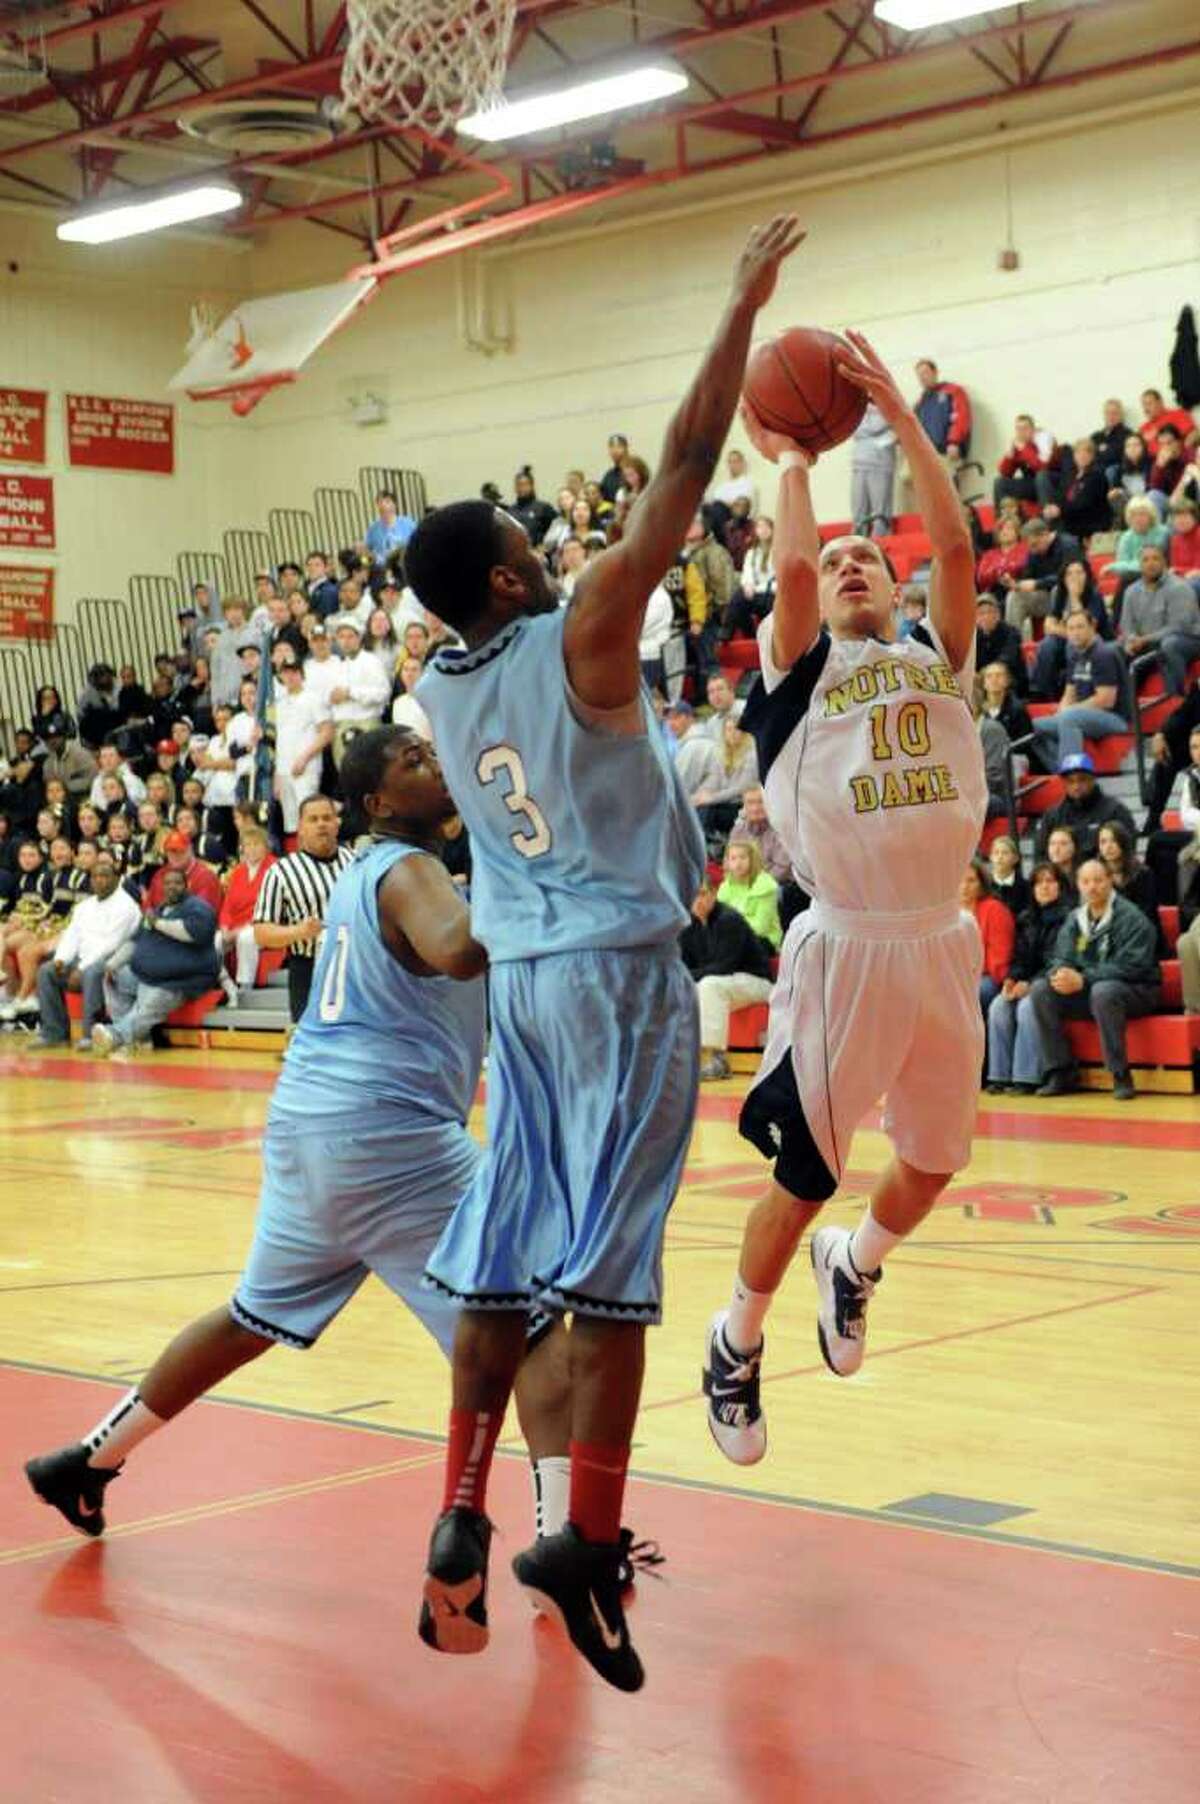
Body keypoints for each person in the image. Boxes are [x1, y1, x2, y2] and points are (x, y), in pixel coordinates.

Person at [405, 215, 802, 1694]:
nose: (548, 549)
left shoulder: (440, 685)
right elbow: (686, 472)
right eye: (529, 546)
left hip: (521, 986)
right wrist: (739, 308)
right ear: (512, 585)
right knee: (614, 1278)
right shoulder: (575, 635)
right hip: (619, 978)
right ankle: (584, 1536)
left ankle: (461, 1503)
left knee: (503, 1255)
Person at [24, 727, 576, 1560]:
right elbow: (461, 951)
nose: (436, 765)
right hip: (388, 1136)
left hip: (308, 1123)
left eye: (432, 753)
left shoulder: (364, 871)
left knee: (250, 1318)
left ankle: (89, 1458)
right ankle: (563, 1542)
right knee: (530, 1324)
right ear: (378, 804)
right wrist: (532, 872)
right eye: (414, 762)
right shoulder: (407, 869)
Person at [702, 327, 986, 1468]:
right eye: (840, 560)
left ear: (899, 585)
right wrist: (792, 459)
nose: (854, 562)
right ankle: (735, 1337)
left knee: (935, 1160)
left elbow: (956, 545)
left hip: (940, 940)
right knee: (804, 1174)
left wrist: (900, 418)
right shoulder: (799, 670)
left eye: (872, 555)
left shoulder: (935, 656)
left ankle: (855, 1264)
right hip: (850, 949)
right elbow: (794, 573)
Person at [1029, 859, 1161, 1101]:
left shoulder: (1131, 917)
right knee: (1041, 990)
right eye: (1086, 881)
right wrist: (1061, 974)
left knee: (1104, 991)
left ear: (1110, 881)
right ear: (1078, 885)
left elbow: (1133, 966)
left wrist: (1084, 979)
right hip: (1092, 989)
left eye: (1098, 880)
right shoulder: (1075, 919)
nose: (1092, 887)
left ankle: (1120, 1073)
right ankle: (1060, 1071)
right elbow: (1060, 956)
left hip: (1138, 990)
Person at [92, 868, 220, 1057]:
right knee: (114, 976)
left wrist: (158, 923)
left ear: (187, 885)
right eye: (167, 883)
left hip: (177, 981)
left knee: (151, 1004)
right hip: (144, 975)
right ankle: (140, 1040)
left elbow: (192, 932)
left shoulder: (198, 908)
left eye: (177, 883)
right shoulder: (158, 910)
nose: (172, 887)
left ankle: (115, 1035)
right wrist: (112, 964)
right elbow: (134, 941)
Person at [252, 795, 354, 1024]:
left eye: (327, 818)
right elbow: (261, 932)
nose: (321, 824)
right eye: (313, 819)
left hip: (355, 966)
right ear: (300, 828)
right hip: (308, 969)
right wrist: (298, 931)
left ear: (337, 823)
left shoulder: (356, 862)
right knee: (312, 1040)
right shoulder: (281, 871)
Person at [30, 851, 139, 1049]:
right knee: (47, 971)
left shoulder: (126, 906)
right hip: (82, 960)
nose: (99, 880)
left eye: (105, 876)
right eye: (95, 876)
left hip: (114, 964)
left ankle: (91, 1036)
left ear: (116, 879)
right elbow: (72, 936)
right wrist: (61, 960)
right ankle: (54, 1034)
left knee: (92, 972)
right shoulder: (85, 906)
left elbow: (111, 944)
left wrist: (81, 968)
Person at [985, 862, 1070, 1093]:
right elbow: (1019, 958)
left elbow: (1058, 960)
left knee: (1026, 1007)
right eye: (1038, 882)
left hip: (1054, 982)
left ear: (1060, 886)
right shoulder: (1026, 918)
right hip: (1026, 981)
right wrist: (1011, 979)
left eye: (1050, 881)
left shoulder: (1069, 917)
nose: (1044, 887)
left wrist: (1030, 984)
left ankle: (1027, 1077)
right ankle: (999, 1076)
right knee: (999, 1005)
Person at [681, 876, 774, 1082]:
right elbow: (684, 966)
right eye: (692, 896)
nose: (697, 901)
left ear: (714, 894)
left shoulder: (729, 919)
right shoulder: (687, 924)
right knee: (683, 989)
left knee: (709, 985)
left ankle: (717, 1060)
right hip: (725, 983)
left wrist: (685, 976)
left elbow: (724, 967)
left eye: (702, 894)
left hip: (756, 981)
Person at [1031, 609, 1128, 765]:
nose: (1075, 633)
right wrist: (1061, 711)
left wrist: (1070, 711)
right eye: (1071, 628)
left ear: (1092, 627)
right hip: (1082, 714)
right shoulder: (1075, 656)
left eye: (1080, 627)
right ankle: (1060, 769)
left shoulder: (1103, 654)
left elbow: (1106, 700)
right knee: (1033, 726)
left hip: (1114, 718)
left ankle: (1072, 769)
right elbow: (1069, 693)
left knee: (1070, 718)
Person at [1119, 544, 1200, 697]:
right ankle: (1125, 705)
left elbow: (1178, 627)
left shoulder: (1179, 587)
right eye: (1145, 560)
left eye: (1156, 559)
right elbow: (1126, 625)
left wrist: (1144, 640)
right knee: (1113, 650)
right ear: (1139, 565)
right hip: (1149, 643)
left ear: (1164, 562)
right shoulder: (1131, 591)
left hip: (1189, 639)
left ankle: (1176, 699)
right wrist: (1131, 640)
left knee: (1169, 644)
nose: (1151, 563)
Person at [1029, 558, 1112, 700]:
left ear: (1087, 576)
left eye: (1079, 572)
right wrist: (1068, 631)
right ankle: (1041, 692)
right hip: (1067, 638)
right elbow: (1048, 626)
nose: (1074, 577)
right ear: (1063, 578)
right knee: (1047, 644)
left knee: (1072, 645)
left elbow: (1086, 630)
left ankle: (1078, 692)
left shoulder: (1094, 595)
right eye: (1070, 574)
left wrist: (1074, 597)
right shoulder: (1058, 592)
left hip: (1096, 642)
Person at [1033, 754, 1136, 862]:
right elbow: (1041, 856)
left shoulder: (1115, 810)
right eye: (1070, 781)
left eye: (1082, 780)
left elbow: (1127, 851)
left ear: (1093, 779)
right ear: (1064, 783)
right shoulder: (1053, 815)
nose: (1076, 786)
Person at [274, 656, 333, 839]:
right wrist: (277, 774)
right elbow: (279, 740)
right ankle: (295, 854)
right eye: (286, 672)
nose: (290, 676)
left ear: (301, 674)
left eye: (294, 672)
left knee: (309, 815)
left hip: (306, 768)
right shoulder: (280, 702)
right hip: (284, 769)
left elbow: (327, 732)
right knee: (290, 822)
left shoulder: (313, 698)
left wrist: (305, 758)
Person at [218, 824, 276, 996]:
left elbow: (271, 907)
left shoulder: (275, 868)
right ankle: (223, 984)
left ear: (265, 847)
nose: (251, 849)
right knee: (215, 941)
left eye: (256, 844)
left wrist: (238, 931)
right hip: (235, 925)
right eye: (247, 845)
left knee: (246, 937)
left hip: (265, 924)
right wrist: (225, 928)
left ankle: (245, 985)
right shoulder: (238, 871)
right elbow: (227, 905)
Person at [1002, 519, 1082, 638]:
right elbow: (1028, 577)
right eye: (1030, 546)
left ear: (1045, 535)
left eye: (1035, 544)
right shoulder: (1034, 552)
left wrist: (1037, 584)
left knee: (1057, 589)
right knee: (1015, 597)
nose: (1032, 550)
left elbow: (1070, 576)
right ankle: (1013, 642)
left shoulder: (1068, 545)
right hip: (1046, 597)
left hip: (1073, 595)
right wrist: (1016, 583)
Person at [328, 619, 390, 766]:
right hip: (342, 727)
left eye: (350, 636)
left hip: (366, 725)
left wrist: (351, 693)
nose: (346, 641)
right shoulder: (337, 664)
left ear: (359, 638)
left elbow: (383, 693)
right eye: (342, 637)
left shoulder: (371, 661)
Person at [960, 859, 1015, 1013]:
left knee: (964, 995)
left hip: (986, 978)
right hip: (954, 977)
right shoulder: (947, 912)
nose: (964, 886)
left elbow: (1000, 959)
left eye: (971, 881)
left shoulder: (994, 910)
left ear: (981, 884)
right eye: (959, 880)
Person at [1096, 818, 1159, 939]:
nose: (1108, 847)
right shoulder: (1095, 875)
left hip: (1140, 934)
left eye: (1114, 841)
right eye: (1103, 842)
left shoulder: (1143, 873)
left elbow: (1146, 913)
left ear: (1123, 843)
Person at [718, 838, 782, 949]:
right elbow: (718, 920)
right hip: (734, 936)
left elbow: (761, 928)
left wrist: (732, 924)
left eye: (743, 857)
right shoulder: (725, 886)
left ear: (752, 860)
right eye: (733, 858)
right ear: (727, 862)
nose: (738, 863)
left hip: (764, 939)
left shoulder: (766, 886)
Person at [850, 402, 896, 537]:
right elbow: (853, 428)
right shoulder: (856, 405)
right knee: (858, 511)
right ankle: (858, 541)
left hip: (880, 462)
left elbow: (879, 426)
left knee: (880, 513)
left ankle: (881, 542)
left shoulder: (888, 402)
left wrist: (868, 430)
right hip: (859, 461)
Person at [975, 516, 1028, 604]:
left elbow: (1022, 566)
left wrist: (998, 571)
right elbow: (981, 577)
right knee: (984, 600)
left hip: (1017, 589)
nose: (1004, 532)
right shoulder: (989, 555)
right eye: (1001, 529)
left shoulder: (1025, 549)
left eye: (1009, 528)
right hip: (993, 592)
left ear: (1017, 532)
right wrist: (999, 574)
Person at [365, 489, 416, 566]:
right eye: (380, 502)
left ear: (395, 505)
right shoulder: (372, 530)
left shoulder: (408, 524)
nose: (383, 505)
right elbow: (367, 554)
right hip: (383, 569)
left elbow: (418, 545)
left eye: (387, 502)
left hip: (406, 565)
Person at [987, 834, 1029, 917]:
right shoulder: (984, 885)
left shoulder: (1026, 887)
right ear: (991, 857)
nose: (1000, 857)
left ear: (1015, 858)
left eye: (1005, 853)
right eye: (996, 853)